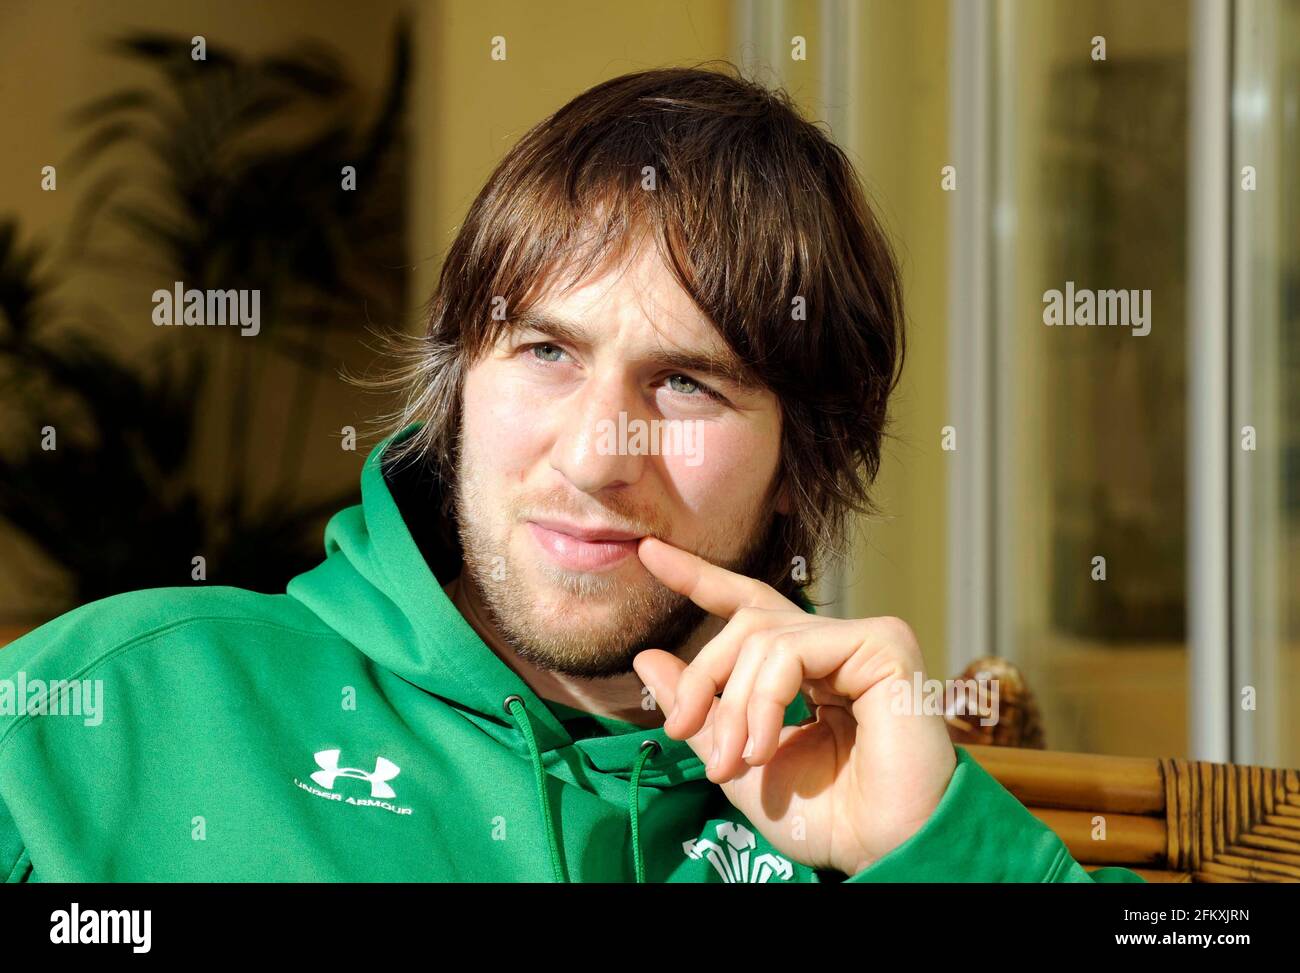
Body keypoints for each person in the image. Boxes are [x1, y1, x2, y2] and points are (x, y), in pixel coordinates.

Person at [0, 65, 1142, 883]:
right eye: (546, 352)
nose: (598, 456)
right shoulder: (103, 711)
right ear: (460, 381)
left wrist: (924, 850)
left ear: (804, 458)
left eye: (689, 383)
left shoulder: (865, 787)